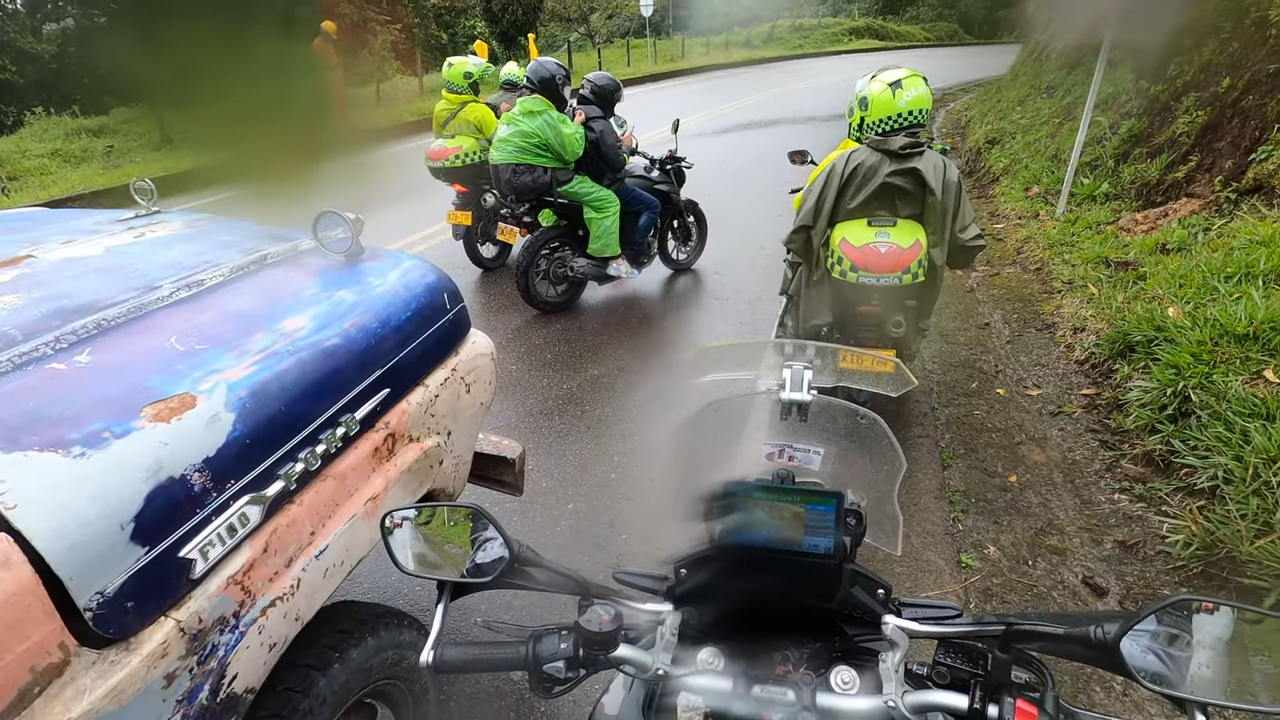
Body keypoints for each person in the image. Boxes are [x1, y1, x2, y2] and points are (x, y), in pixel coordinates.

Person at [778, 66, 985, 358]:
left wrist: (803, 247)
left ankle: (793, 340)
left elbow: (805, 223)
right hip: (908, 294)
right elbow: (964, 242)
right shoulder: (941, 169)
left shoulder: (844, 162)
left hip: (845, 284)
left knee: (800, 265)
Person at [489, 56, 635, 279]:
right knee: (606, 201)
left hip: (503, 175)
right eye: (563, 88)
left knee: (553, 191)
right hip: (529, 175)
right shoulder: (545, 114)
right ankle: (606, 259)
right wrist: (576, 125)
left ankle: (558, 229)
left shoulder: (518, 111)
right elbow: (572, 151)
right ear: (551, 86)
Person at [574, 71, 661, 270]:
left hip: (582, 179)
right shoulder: (601, 125)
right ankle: (634, 253)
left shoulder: (576, 114)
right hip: (606, 183)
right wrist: (627, 147)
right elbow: (618, 163)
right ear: (605, 99)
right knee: (652, 206)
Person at [423, 55, 499, 184]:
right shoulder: (480, 111)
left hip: (458, 169)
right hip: (487, 168)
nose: (478, 87)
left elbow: (439, 138)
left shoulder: (439, 108)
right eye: (475, 83)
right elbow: (501, 140)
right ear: (464, 84)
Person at [311, 20, 349, 129]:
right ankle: (334, 126)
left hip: (335, 74)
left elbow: (332, 58)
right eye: (329, 36)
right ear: (325, 33)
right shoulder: (317, 44)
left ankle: (342, 124)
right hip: (328, 76)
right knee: (333, 101)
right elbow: (319, 64)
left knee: (341, 101)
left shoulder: (327, 43)